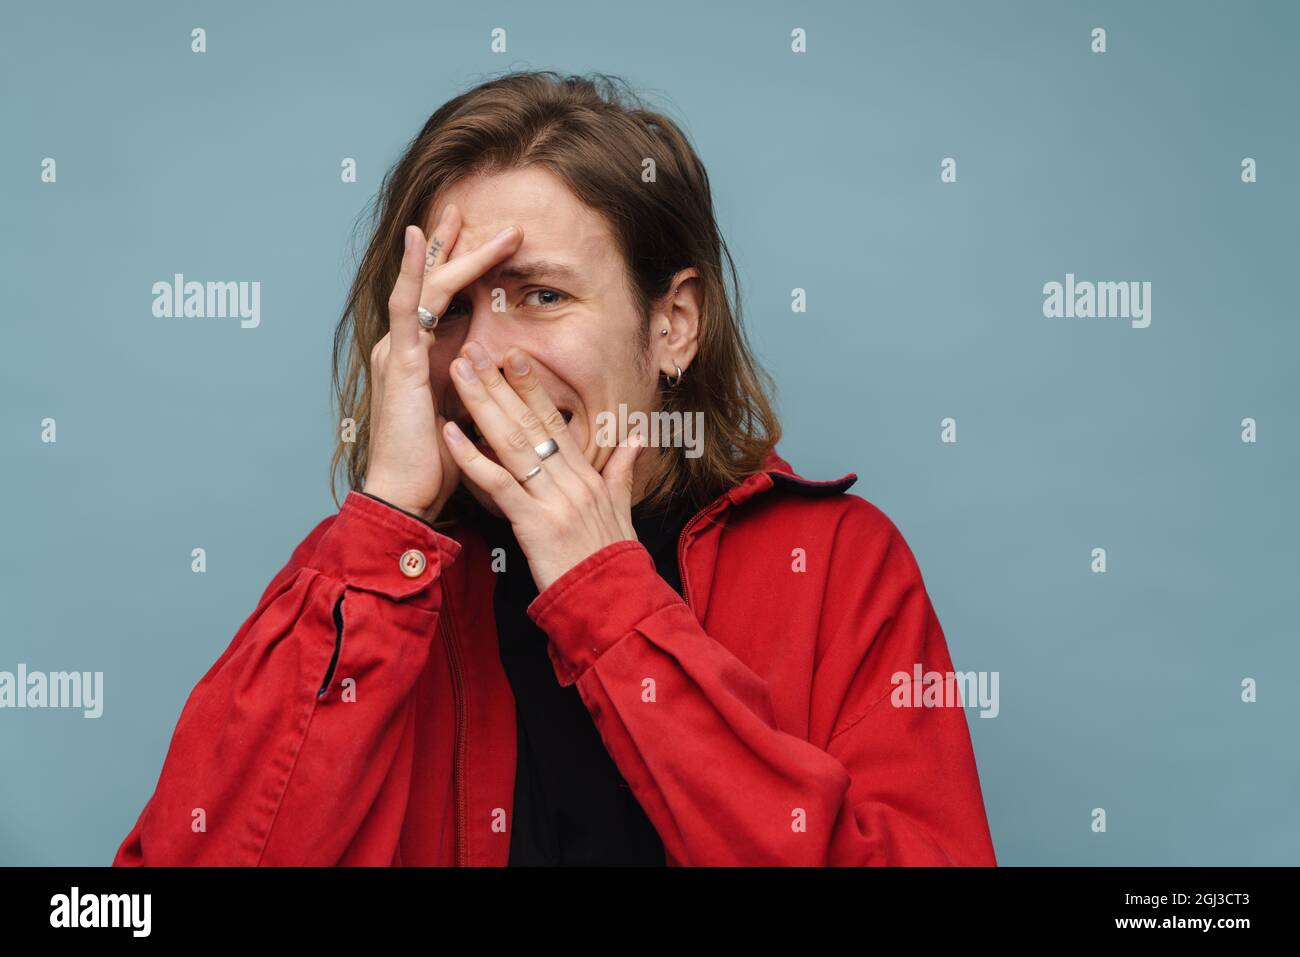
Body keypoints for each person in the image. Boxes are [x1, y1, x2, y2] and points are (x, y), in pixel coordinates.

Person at [112, 71, 997, 866]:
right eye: (449, 308)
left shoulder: (837, 564)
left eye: (543, 296)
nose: (483, 356)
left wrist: (606, 598)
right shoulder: (361, 582)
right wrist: (383, 531)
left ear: (673, 324)